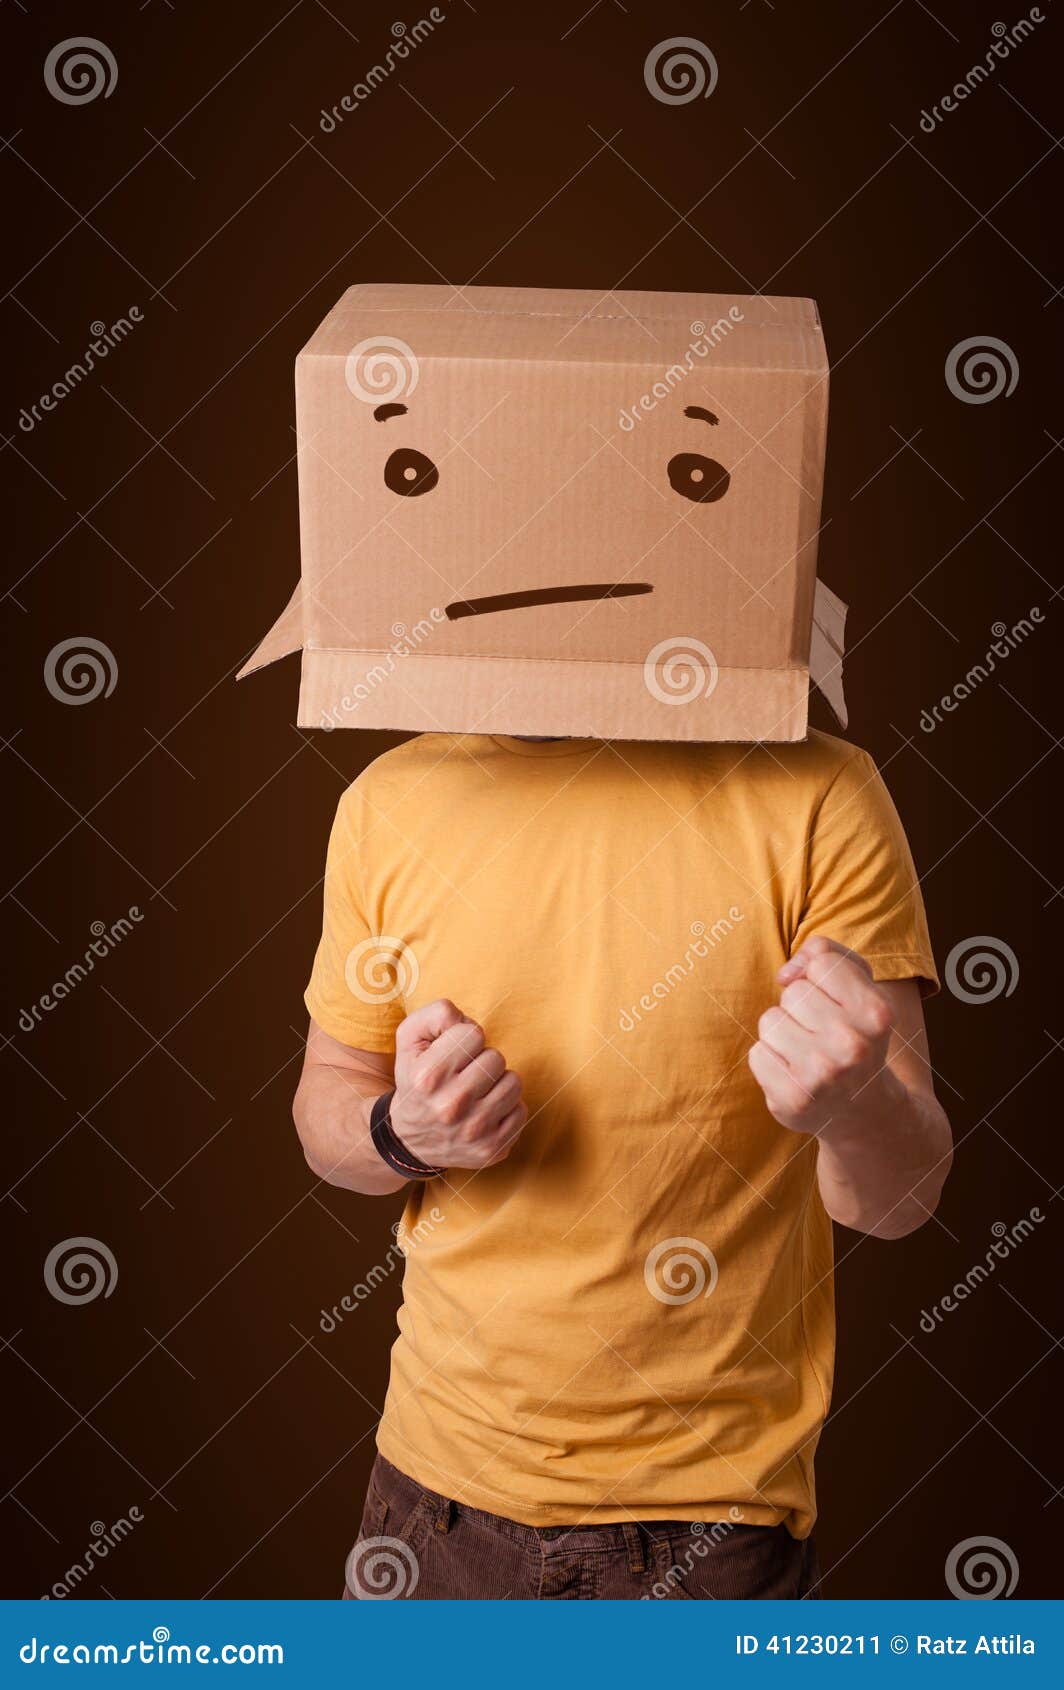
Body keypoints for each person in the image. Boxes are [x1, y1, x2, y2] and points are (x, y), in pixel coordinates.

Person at [293, 727, 951, 1599]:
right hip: (432, 1504)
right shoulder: (390, 797)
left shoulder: (819, 789)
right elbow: (325, 1106)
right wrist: (399, 1132)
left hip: (708, 1535)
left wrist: (855, 1105)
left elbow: (902, 1201)